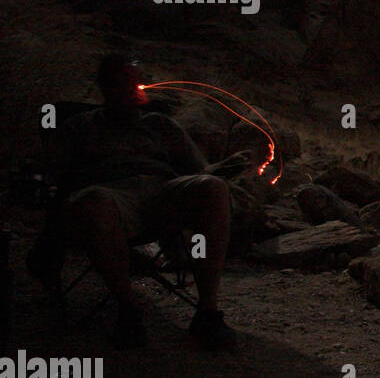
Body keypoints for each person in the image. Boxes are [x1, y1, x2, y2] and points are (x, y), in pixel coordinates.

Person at [39, 53, 247, 350]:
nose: (137, 90)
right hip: (111, 195)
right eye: (126, 84)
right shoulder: (81, 127)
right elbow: (52, 173)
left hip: (161, 192)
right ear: (107, 88)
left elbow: (198, 171)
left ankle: (207, 312)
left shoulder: (160, 125)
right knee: (93, 202)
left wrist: (225, 168)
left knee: (212, 188)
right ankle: (129, 308)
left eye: (138, 83)